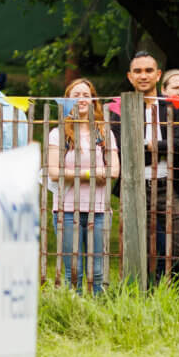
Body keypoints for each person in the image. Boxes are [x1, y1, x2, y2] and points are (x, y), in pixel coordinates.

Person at [47, 78, 119, 294]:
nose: (81, 99)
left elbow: (114, 171)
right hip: (66, 210)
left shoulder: (104, 132)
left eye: (86, 95)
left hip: (98, 210)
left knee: (97, 271)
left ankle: (96, 311)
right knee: (73, 271)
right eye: (75, 95)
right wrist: (93, 173)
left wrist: (73, 174)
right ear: (67, 101)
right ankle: (74, 310)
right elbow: (53, 172)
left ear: (93, 100)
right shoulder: (57, 133)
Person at [144, 66, 179, 280]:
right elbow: (175, 146)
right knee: (159, 247)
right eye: (175, 87)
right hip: (168, 185)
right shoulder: (159, 114)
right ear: (163, 90)